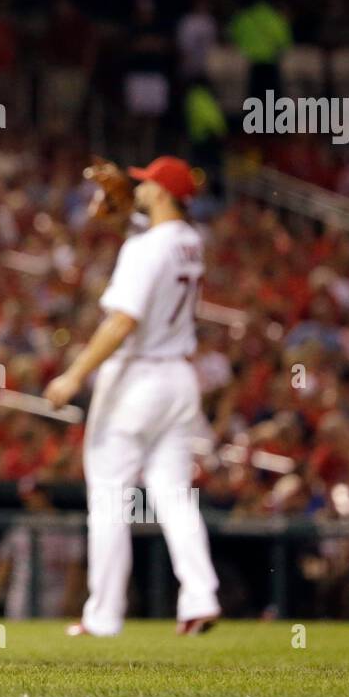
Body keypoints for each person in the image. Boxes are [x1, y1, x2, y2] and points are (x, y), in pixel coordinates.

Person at [46, 156, 220, 636]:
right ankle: (200, 596)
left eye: (146, 184)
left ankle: (103, 615)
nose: (137, 187)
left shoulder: (147, 249)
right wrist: (128, 216)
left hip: (135, 379)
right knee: (174, 495)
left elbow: (122, 321)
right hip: (179, 380)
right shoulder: (191, 241)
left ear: (162, 193)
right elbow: (158, 233)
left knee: (108, 499)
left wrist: (73, 375)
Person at [0, 476, 84, 619]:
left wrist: (71, 596)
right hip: (22, 591)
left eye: (34, 495)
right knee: (17, 636)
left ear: (46, 495)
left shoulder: (66, 525)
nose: (29, 500)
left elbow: (75, 565)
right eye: (26, 497)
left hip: (55, 592)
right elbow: (3, 561)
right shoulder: (19, 526)